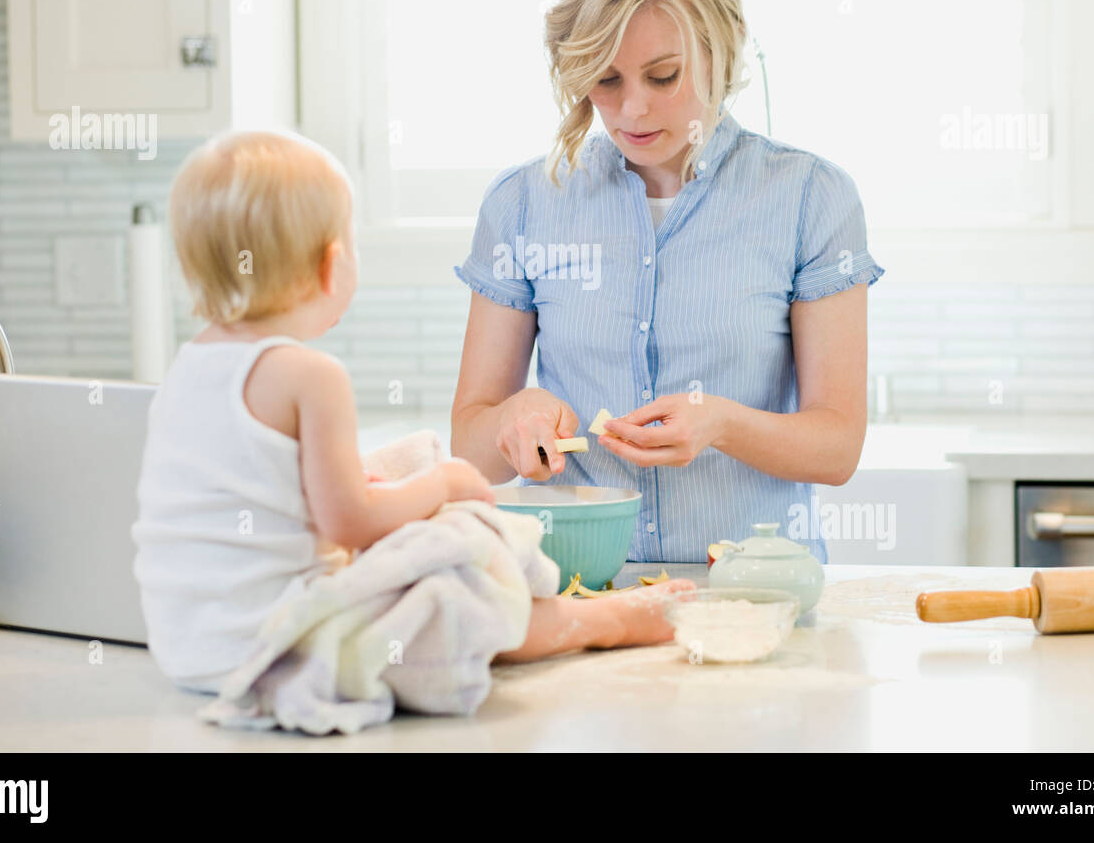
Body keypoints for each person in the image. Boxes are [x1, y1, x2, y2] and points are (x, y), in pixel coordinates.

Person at [131, 129, 694, 696]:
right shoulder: (311, 377)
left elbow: (249, 498)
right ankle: (605, 621)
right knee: (455, 593)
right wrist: (443, 482)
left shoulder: (188, 367)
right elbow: (349, 523)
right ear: (332, 266)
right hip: (278, 640)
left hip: (189, 646)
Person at [451, 0, 885, 564]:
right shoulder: (523, 204)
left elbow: (837, 446)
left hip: (755, 592)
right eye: (605, 80)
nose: (631, 110)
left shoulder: (809, 198)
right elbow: (469, 449)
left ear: (722, 52)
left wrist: (722, 425)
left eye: (663, 77)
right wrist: (517, 418)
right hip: (581, 594)